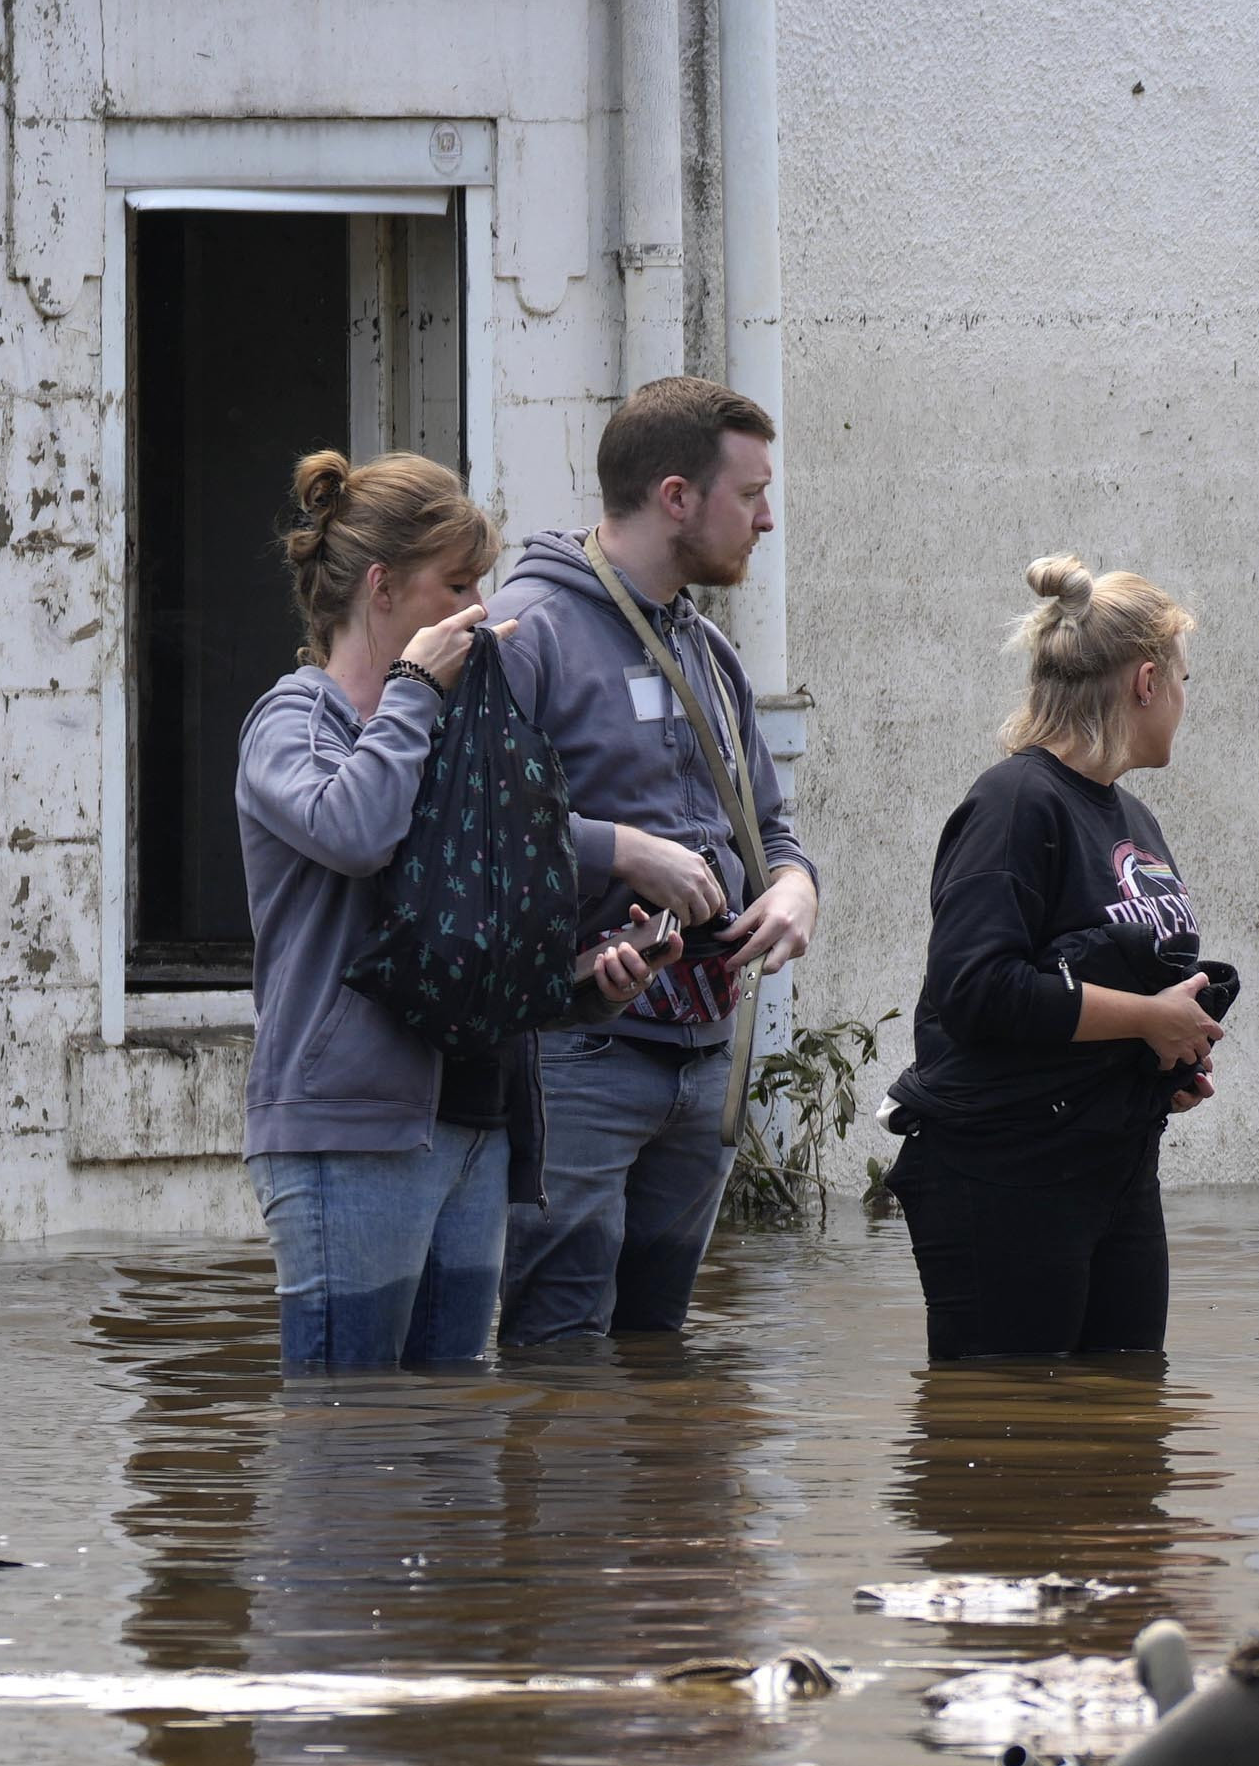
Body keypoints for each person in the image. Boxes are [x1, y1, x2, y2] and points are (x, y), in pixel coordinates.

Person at [235, 451, 660, 1372]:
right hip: (348, 1131)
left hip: (475, 1123)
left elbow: (461, 947)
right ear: (382, 587)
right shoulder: (295, 721)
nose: (479, 607)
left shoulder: (440, 730)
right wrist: (415, 691)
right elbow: (355, 831)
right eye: (457, 584)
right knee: (346, 1426)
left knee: (452, 1438)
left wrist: (586, 981)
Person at [485, 375, 822, 1341]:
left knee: (657, 1357)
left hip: (705, 1056)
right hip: (577, 1053)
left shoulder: (709, 649)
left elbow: (771, 828)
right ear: (676, 497)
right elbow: (474, 838)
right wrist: (625, 851)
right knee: (557, 1356)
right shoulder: (527, 633)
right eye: (749, 495)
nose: (765, 521)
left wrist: (795, 886)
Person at [881, 557, 1225, 1360]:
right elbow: (977, 988)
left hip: (1113, 1162)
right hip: (1003, 1172)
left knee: (1128, 1412)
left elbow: (1102, 980)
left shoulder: (1131, 817)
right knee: (1006, 1419)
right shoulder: (1013, 802)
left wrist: (1157, 1061)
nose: (1185, 698)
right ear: (1146, 682)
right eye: (1183, 678)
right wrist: (1147, 1018)